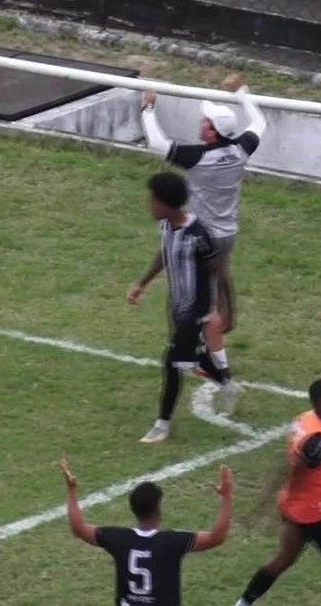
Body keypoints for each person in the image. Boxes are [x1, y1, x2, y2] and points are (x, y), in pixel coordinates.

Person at [141, 74, 267, 380]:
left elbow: (159, 144)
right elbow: (260, 123)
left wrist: (147, 109)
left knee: (202, 303)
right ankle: (221, 331)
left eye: (205, 122)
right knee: (218, 284)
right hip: (228, 233)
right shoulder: (239, 150)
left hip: (203, 237)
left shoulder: (199, 158)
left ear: (213, 132)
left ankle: (218, 366)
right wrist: (243, 92)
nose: (201, 125)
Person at [233, 378, 321, 606]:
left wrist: (271, 502)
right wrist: (266, 505)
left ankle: (243, 602)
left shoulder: (306, 418)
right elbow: (295, 468)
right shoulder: (320, 442)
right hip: (319, 514)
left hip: (294, 508)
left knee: (284, 558)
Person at [127, 172, 236, 443]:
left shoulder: (198, 234)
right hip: (176, 306)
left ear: (166, 204)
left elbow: (220, 272)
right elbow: (164, 254)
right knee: (191, 359)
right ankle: (226, 382)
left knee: (172, 362)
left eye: (152, 200)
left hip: (195, 311)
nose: (149, 205)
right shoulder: (166, 226)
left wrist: (226, 311)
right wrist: (142, 283)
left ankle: (162, 424)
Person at [60, 458, 233, 605]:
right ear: (158, 508)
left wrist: (71, 490)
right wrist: (227, 497)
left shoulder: (119, 539)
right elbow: (216, 537)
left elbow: (79, 528)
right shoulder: (173, 542)